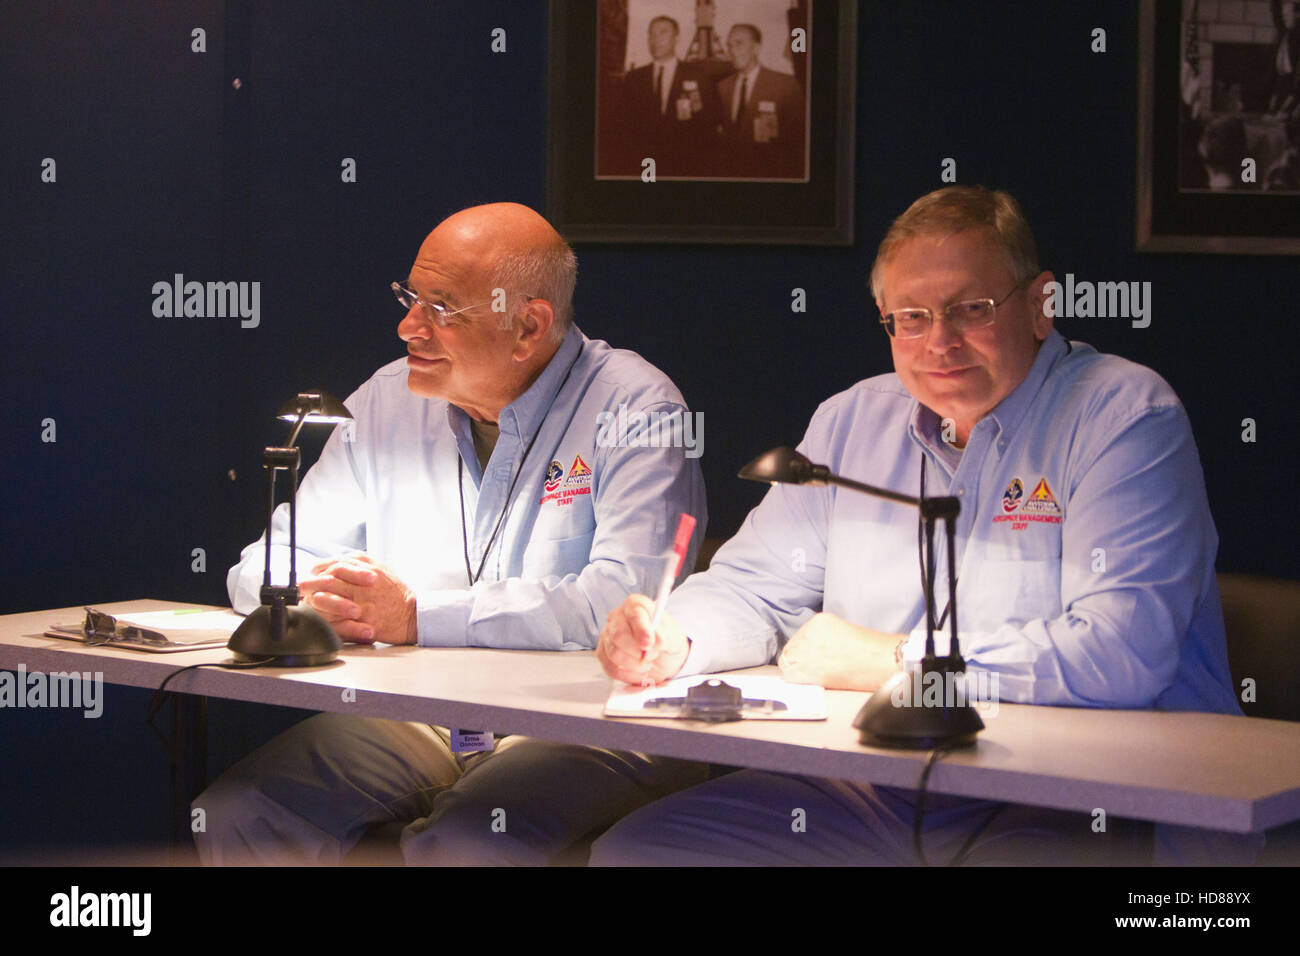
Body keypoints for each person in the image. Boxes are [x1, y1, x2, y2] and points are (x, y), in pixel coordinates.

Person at [590, 185, 1250, 866]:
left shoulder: (1124, 416)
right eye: (912, 316)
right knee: (639, 852)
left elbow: (1123, 652)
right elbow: (756, 586)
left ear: (1041, 304)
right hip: (873, 787)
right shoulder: (850, 420)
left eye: (971, 309)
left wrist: (900, 662)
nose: (940, 340)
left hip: (1084, 799)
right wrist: (675, 635)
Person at [195, 202, 709, 865]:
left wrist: (414, 616)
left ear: (527, 327)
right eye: (411, 298)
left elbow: (623, 606)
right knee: (244, 810)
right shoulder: (387, 400)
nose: (408, 325)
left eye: (442, 309)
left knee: (467, 839)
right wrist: (306, 596)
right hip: (422, 708)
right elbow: (261, 565)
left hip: (588, 713)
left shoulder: (638, 410)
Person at [618, 15, 719, 176]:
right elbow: (624, 124)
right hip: (644, 165)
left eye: (663, 32)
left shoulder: (697, 76)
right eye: (651, 34)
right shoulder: (634, 78)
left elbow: (707, 124)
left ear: (677, 38)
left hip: (685, 165)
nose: (656, 39)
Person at [715, 23, 806, 178]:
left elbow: (799, 141)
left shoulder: (784, 84)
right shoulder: (722, 87)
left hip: (772, 174)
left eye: (739, 43)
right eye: (729, 45)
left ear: (756, 48)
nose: (732, 51)